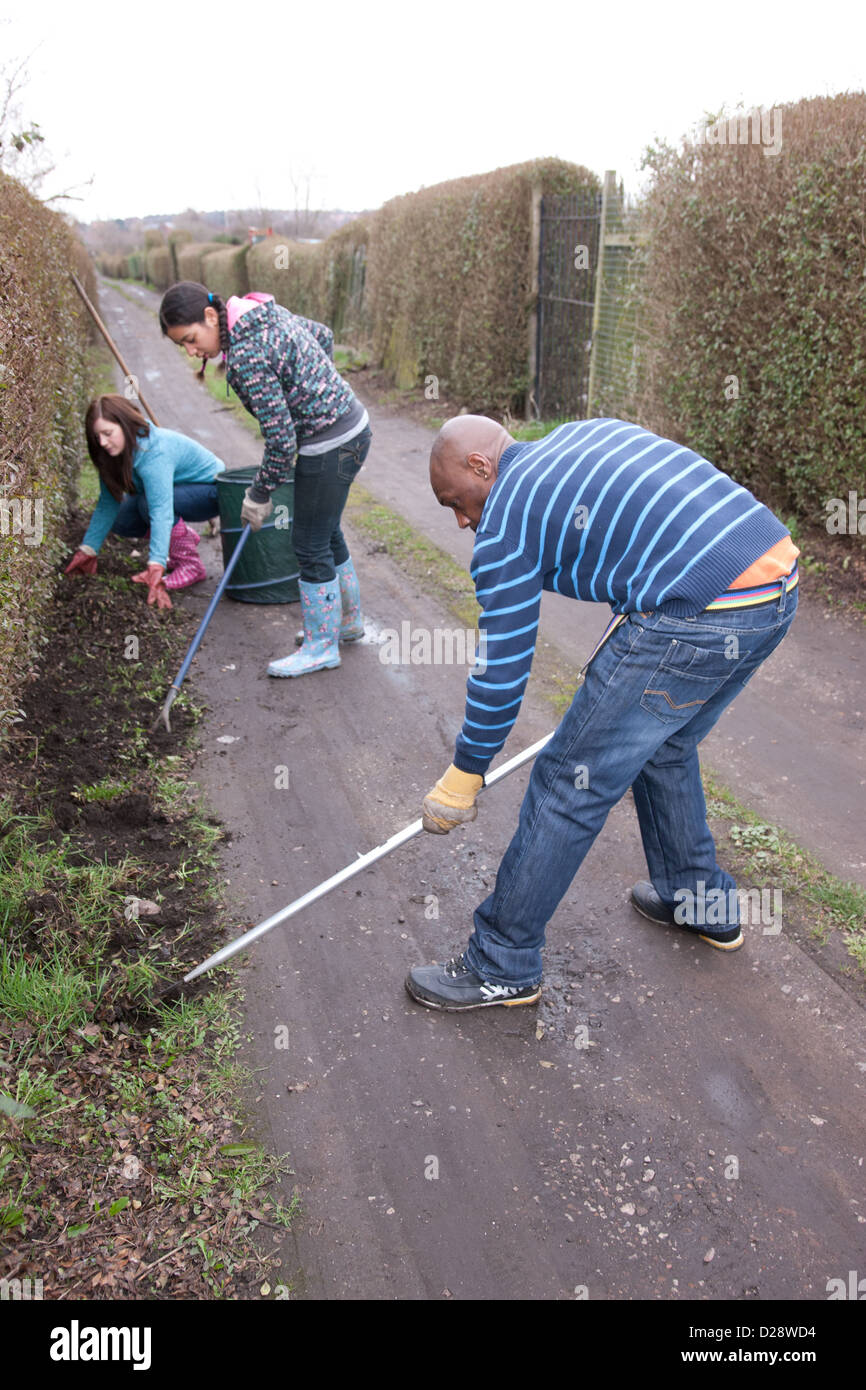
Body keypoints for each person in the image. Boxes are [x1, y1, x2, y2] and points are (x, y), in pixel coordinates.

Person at [406, 415, 800, 1011]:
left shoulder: (507, 519)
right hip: (774, 582)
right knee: (664, 746)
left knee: (570, 781)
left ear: (481, 467)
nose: (462, 521)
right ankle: (700, 903)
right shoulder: (576, 435)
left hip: (702, 611)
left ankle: (501, 963)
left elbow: (503, 666)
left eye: (456, 502)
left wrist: (466, 773)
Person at [158, 282, 371, 676]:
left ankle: (322, 646)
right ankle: (346, 622)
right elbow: (322, 334)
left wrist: (259, 494)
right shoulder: (261, 310)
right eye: (182, 347)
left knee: (307, 543)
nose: (191, 352)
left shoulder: (245, 357)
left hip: (329, 444)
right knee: (325, 532)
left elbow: (280, 439)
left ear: (209, 317)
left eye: (190, 339)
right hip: (352, 428)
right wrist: (317, 388)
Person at [65, 395, 225, 610]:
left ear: (125, 425)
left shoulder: (154, 451)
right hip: (177, 494)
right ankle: (181, 538)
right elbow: (108, 502)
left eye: (108, 433)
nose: (102, 442)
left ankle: (191, 566)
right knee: (122, 518)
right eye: (97, 437)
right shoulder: (113, 453)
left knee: (149, 505)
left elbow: (160, 509)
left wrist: (156, 564)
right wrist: (88, 549)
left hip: (212, 492)